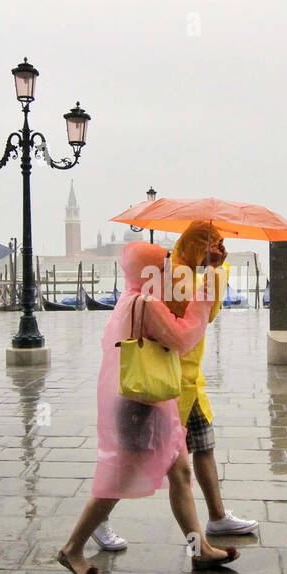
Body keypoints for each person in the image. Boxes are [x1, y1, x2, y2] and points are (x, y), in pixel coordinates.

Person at [59, 242, 238, 574]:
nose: (170, 266)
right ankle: (72, 547)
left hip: (146, 405)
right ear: (148, 271)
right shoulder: (147, 303)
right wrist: (211, 280)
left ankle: (198, 549)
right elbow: (185, 337)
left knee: (181, 473)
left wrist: (208, 270)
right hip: (141, 410)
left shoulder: (130, 299)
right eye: (164, 263)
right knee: (120, 481)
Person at [90, 222, 258, 552]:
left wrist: (214, 266)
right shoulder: (173, 276)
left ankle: (216, 518)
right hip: (162, 385)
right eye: (212, 241)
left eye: (223, 243)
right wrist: (211, 270)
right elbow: (195, 320)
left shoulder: (194, 271)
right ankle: (93, 524)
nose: (220, 248)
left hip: (191, 381)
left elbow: (213, 304)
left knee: (201, 449)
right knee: (135, 461)